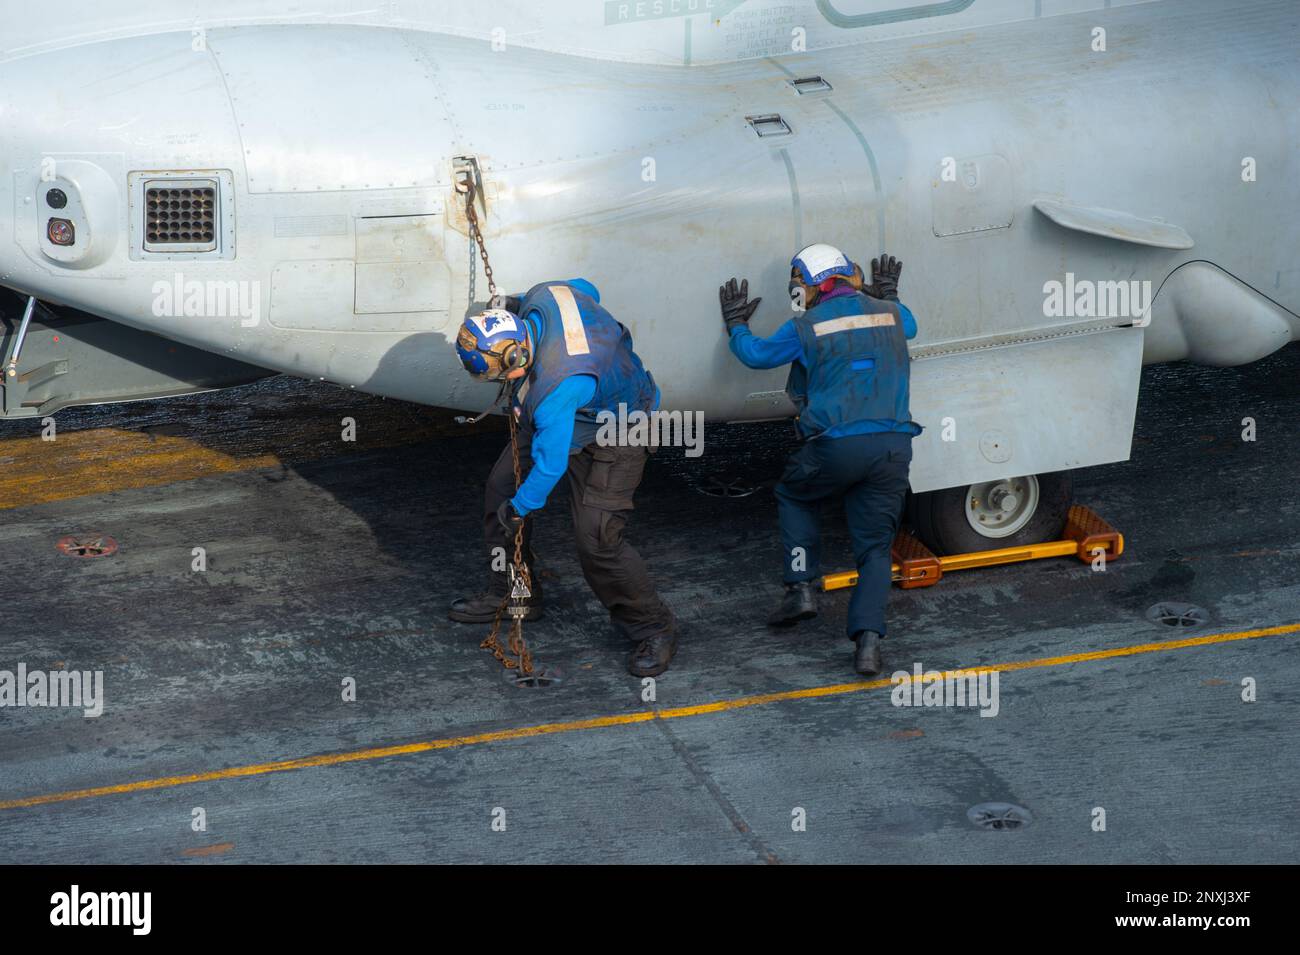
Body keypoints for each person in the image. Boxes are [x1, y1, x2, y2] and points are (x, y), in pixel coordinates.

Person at [450, 279, 679, 676]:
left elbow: (551, 466)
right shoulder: (544, 297)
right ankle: (514, 592)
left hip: (620, 428)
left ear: (517, 353)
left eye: (498, 376)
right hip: (580, 406)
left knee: (598, 539)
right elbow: (589, 287)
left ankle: (654, 627)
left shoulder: (553, 389)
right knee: (499, 489)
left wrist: (519, 509)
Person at [719, 245, 921, 675]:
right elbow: (911, 325)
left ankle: (801, 586)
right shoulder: (891, 313)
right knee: (874, 549)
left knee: (794, 495)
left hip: (836, 446)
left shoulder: (806, 326)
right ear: (852, 276)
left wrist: (736, 324)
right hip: (892, 446)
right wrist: (891, 295)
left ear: (806, 287)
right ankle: (868, 644)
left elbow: (755, 356)